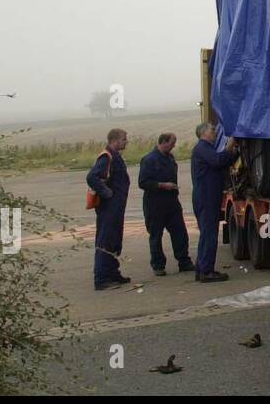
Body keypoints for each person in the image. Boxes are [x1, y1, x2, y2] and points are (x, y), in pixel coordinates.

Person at [138, 132, 193, 276]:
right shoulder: (149, 160)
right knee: (156, 236)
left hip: (172, 203)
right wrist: (162, 185)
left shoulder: (170, 158)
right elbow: (142, 182)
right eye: (172, 143)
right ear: (163, 141)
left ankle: (184, 261)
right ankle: (158, 265)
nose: (174, 145)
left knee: (180, 233)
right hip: (154, 204)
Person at [190, 121, 237, 283]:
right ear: (203, 133)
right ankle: (206, 271)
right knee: (209, 234)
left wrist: (233, 153)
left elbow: (221, 161)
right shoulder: (202, 148)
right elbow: (217, 161)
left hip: (207, 196)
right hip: (206, 197)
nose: (215, 132)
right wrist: (229, 146)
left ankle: (202, 269)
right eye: (212, 129)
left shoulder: (205, 148)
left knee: (207, 234)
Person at [86, 128, 131, 291]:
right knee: (105, 241)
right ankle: (101, 278)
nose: (127, 142)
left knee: (114, 240)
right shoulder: (107, 157)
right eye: (124, 139)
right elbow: (92, 177)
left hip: (116, 207)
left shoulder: (115, 156)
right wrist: (107, 193)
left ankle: (112, 273)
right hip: (108, 207)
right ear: (115, 141)